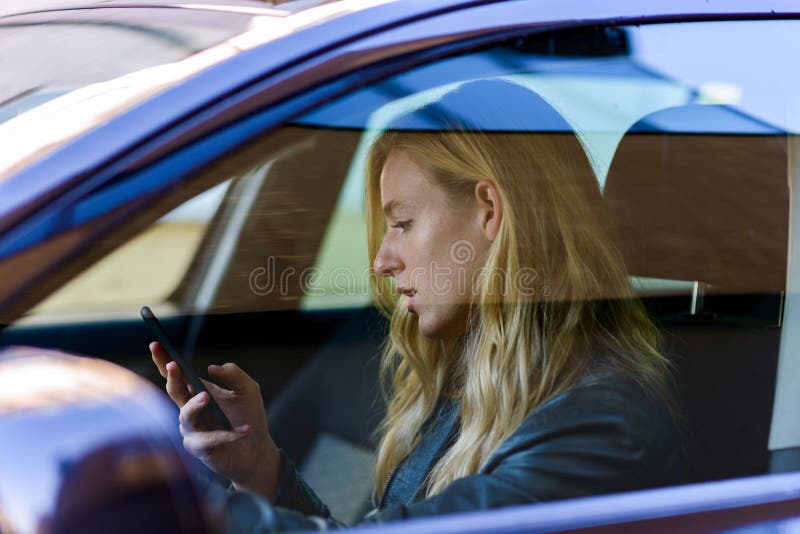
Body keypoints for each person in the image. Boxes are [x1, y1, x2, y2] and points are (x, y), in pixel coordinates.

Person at [149, 79, 685, 531]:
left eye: (402, 223)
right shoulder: (482, 379)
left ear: (489, 211)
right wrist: (258, 468)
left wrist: (181, 509)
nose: (382, 261)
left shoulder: (602, 424)